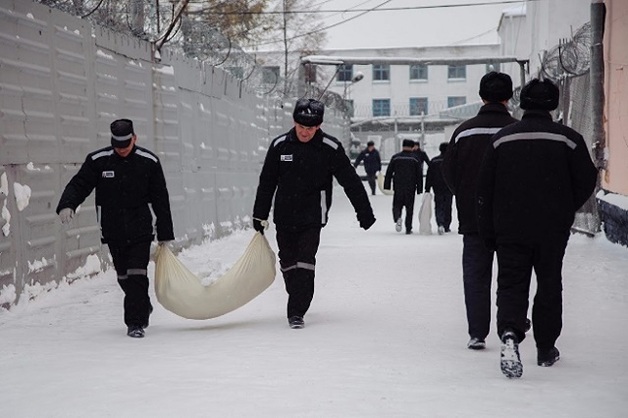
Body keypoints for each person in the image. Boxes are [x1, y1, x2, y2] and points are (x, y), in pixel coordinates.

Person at [476, 78, 597, 378]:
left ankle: (509, 334)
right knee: (549, 283)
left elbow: (484, 189)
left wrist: (488, 230)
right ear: (553, 104)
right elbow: (586, 180)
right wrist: (564, 207)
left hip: (510, 227)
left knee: (511, 283)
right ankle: (545, 348)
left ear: (523, 103)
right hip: (551, 227)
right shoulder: (568, 139)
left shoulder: (503, 139)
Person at [252, 98, 376, 329]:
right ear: (294, 122)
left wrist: (364, 212)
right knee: (288, 262)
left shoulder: (330, 148)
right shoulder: (280, 146)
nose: (305, 132)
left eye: (310, 128)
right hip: (284, 214)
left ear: (318, 126)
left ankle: (296, 311)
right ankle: (297, 295)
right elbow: (267, 182)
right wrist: (260, 214)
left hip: (313, 215)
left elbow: (350, 181)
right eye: (301, 127)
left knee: (306, 261)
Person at [56, 119, 174, 339]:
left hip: (140, 229)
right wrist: (67, 204)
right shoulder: (98, 161)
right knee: (123, 277)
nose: (122, 150)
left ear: (134, 139)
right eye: (117, 146)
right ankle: (142, 305)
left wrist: (165, 233)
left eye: (126, 145)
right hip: (112, 230)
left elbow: (161, 199)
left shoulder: (149, 162)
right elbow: (79, 184)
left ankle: (135, 323)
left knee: (137, 273)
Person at [441, 71, 518, 350]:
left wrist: (465, 195)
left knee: (475, 274)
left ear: (481, 96)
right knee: (511, 274)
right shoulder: (516, 130)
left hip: (474, 217)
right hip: (511, 218)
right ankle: (510, 326)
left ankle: (477, 332)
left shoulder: (464, 131)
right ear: (509, 98)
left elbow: (448, 172)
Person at [383, 139, 422, 234]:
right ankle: (408, 228)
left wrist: (387, 185)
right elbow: (419, 175)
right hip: (410, 187)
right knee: (409, 208)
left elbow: (389, 172)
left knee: (397, 205)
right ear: (412, 147)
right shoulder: (415, 159)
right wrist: (420, 188)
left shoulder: (396, 158)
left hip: (398, 186)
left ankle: (398, 218)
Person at [425, 142, 453, 235]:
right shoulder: (451, 160)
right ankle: (446, 225)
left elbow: (429, 175)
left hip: (437, 187)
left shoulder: (434, 161)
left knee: (439, 205)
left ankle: (440, 223)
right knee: (448, 206)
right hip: (449, 186)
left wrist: (427, 188)